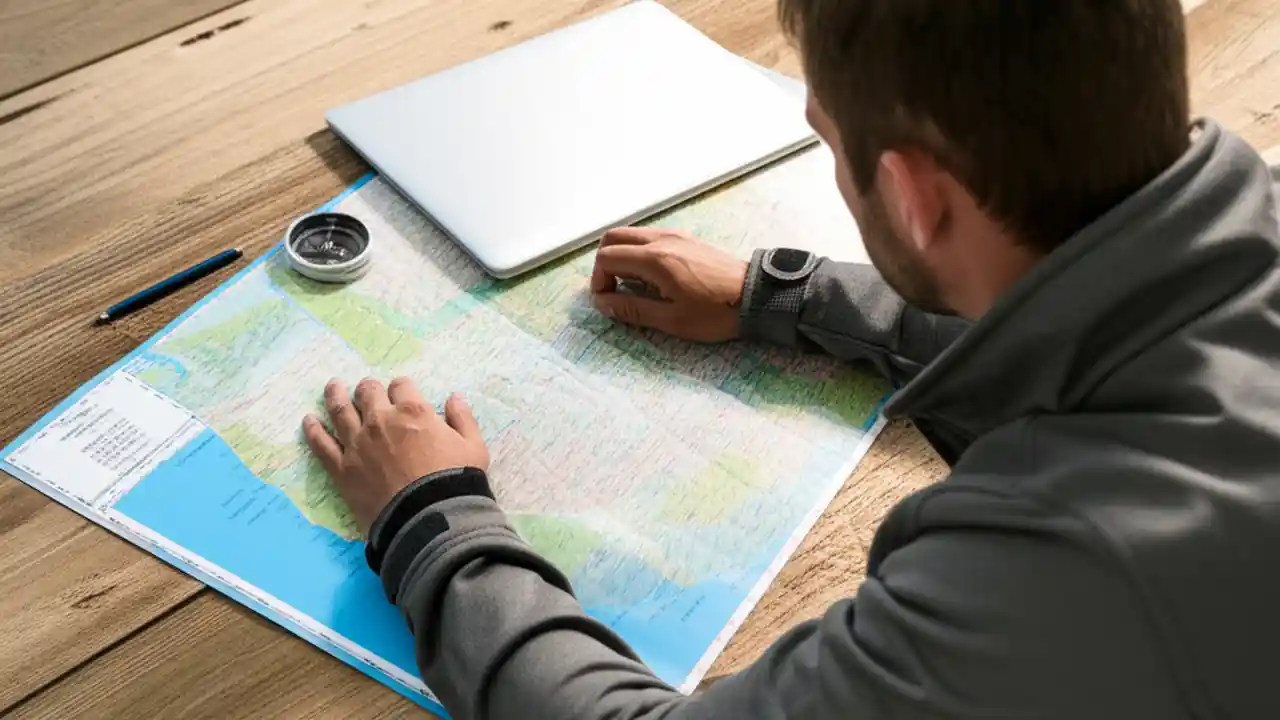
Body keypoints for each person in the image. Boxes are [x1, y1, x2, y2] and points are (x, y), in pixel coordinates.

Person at [301, 1, 1280, 718]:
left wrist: (430, 518)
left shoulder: (1046, 574)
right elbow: (1099, 314)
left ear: (910, 195)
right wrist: (783, 295)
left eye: (826, 134)